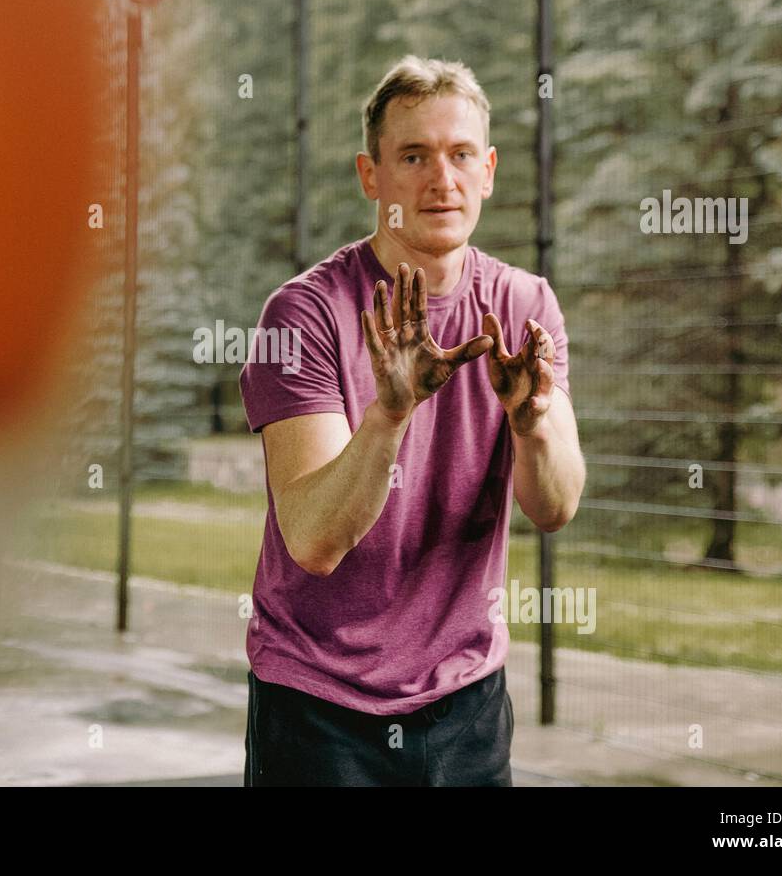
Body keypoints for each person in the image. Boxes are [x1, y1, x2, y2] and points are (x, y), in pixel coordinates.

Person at [238, 55, 585, 786]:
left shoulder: (524, 305)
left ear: (489, 171)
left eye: (461, 155)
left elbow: (555, 507)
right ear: (371, 176)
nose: (442, 179)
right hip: (318, 705)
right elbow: (315, 540)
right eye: (414, 156)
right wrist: (390, 413)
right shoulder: (304, 314)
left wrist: (531, 424)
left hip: (467, 701)